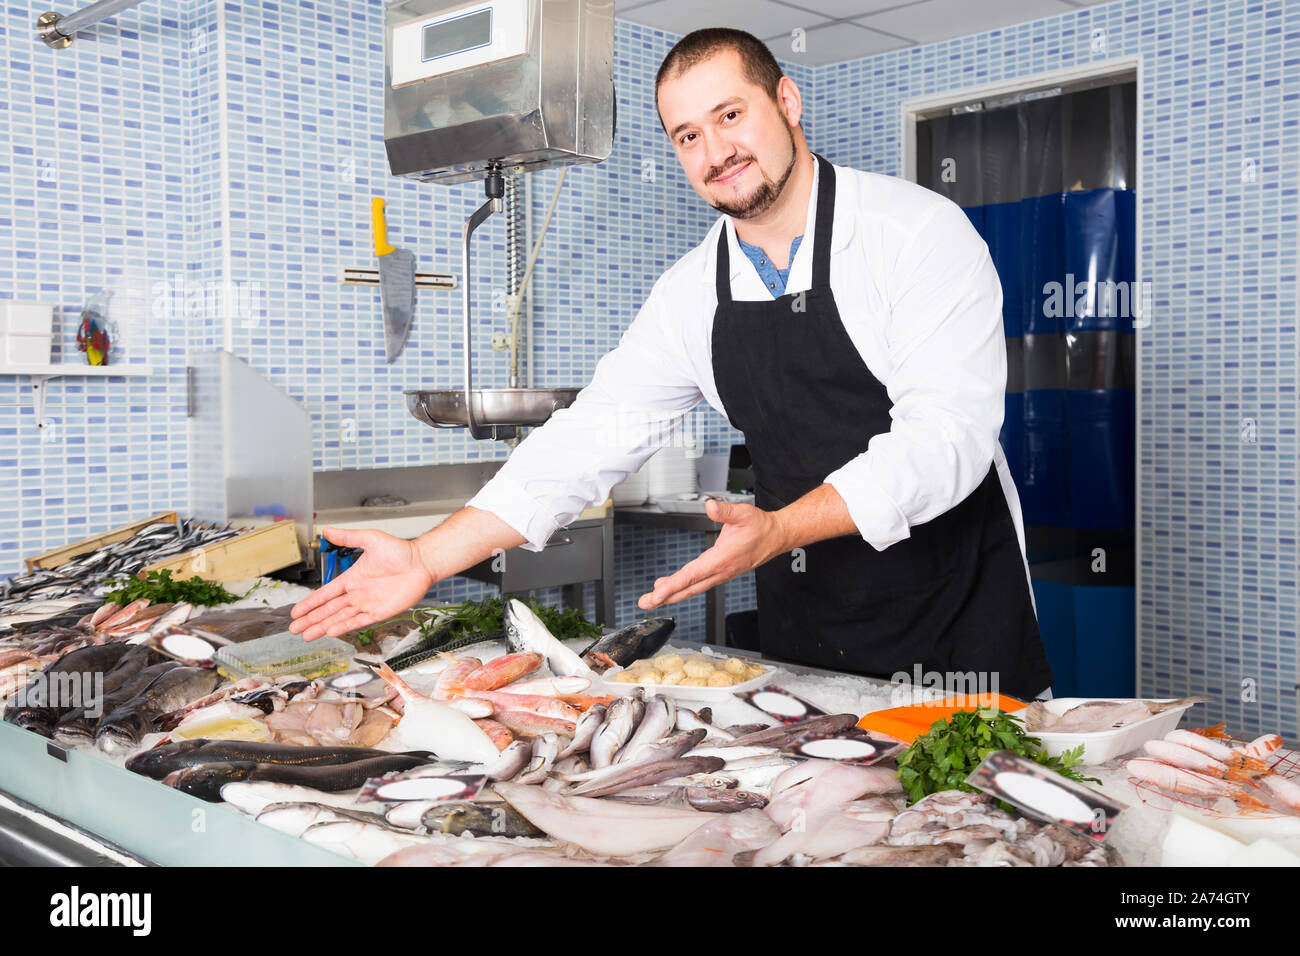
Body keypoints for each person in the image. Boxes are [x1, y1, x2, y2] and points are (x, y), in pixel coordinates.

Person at [291, 28, 1055, 701]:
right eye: (686, 135)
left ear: (786, 101)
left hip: (960, 623)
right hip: (811, 628)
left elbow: (945, 440)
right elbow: (586, 440)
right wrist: (426, 556)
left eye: (731, 115)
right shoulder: (690, 291)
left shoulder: (916, 233)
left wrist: (783, 527)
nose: (716, 151)